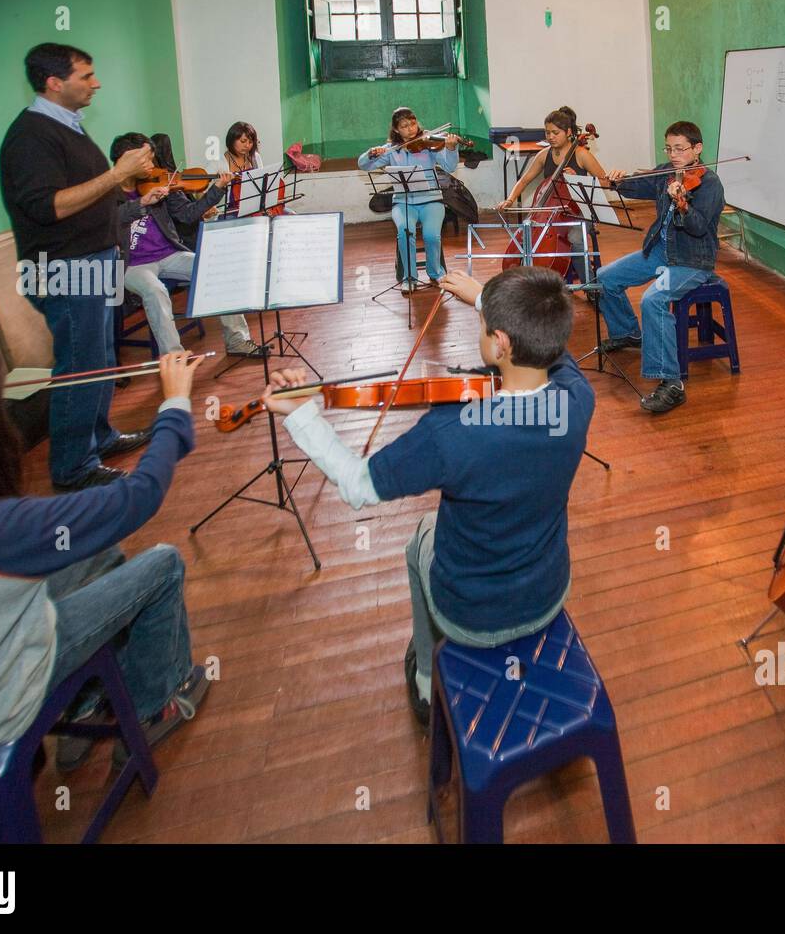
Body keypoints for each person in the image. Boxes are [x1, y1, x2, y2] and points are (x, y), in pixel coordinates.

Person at [261, 266, 595, 723]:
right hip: (548, 591)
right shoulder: (578, 397)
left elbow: (358, 486)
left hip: (473, 615)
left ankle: (424, 677)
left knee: (419, 537)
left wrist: (300, 416)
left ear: (499, 343)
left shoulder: (453, 432)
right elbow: (550, 351)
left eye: (483, 329)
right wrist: (484, 299)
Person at [0, 341, 211, 772]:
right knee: (163, 563)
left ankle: (84, 703)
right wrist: (175, 403)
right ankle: (158, 705)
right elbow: (138, 497)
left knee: (97, 549)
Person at [0, 42, 155, 491]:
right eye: (86, 75)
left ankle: (99, 436)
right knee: (78, 367)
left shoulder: (66, 127)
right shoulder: (31, 137)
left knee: (101, 358)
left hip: (93, 261)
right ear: (54, 82)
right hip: (66, 269)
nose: (96, 82)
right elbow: (48, 206)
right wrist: (116, 174)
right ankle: (72, 467)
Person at [594, 121, 726, 414]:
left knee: (653, 300)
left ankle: (672, 383)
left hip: (691, 261)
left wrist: (681, 202)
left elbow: (699, 227)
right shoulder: (665, 171)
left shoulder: (710, 184)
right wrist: (617, 180)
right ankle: (629, 333)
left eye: (680, 149)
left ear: (697, 149)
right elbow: (635, 187)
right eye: (669, 148)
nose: (674, 154)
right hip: (660, 253)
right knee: (605, 278)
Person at [110, 132, 265, 358]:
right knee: (155, 291)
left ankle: (237, 340)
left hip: (168, 255)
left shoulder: (160, 180)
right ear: (126, 158)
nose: (153, 164)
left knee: (217, 270)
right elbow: (108, 222)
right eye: (146, 159)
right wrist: (141, 202)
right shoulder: (107, 192)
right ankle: (175, 360)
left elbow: (187, 214)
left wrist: (218, 188)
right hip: (131, 265)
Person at [498, 105, 616, 287]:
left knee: (576, 241)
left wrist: (576, 179)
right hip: (548, 214)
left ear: (568, 132)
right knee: (527, 236)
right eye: (547, 133)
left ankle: (591, 287)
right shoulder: (544, 155)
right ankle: (534, 283)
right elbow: (524, 181)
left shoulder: (582, 155)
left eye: (555, 132)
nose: (550, 137)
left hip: (578, 213)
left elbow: (606, 182)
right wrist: (510, 199)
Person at [357, 107, 461, 292]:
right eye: (404, 126)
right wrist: (371, 153)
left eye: (413, 123)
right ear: (396, 130)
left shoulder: (428, 143)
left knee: (431, 235)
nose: (411, 129)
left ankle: (436, 273)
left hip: (431, 200)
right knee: (405, 232)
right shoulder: (391, 150)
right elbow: (363, 165)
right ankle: (409, 277)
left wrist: (451, 148)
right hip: (403, 202)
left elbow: (450, 166)